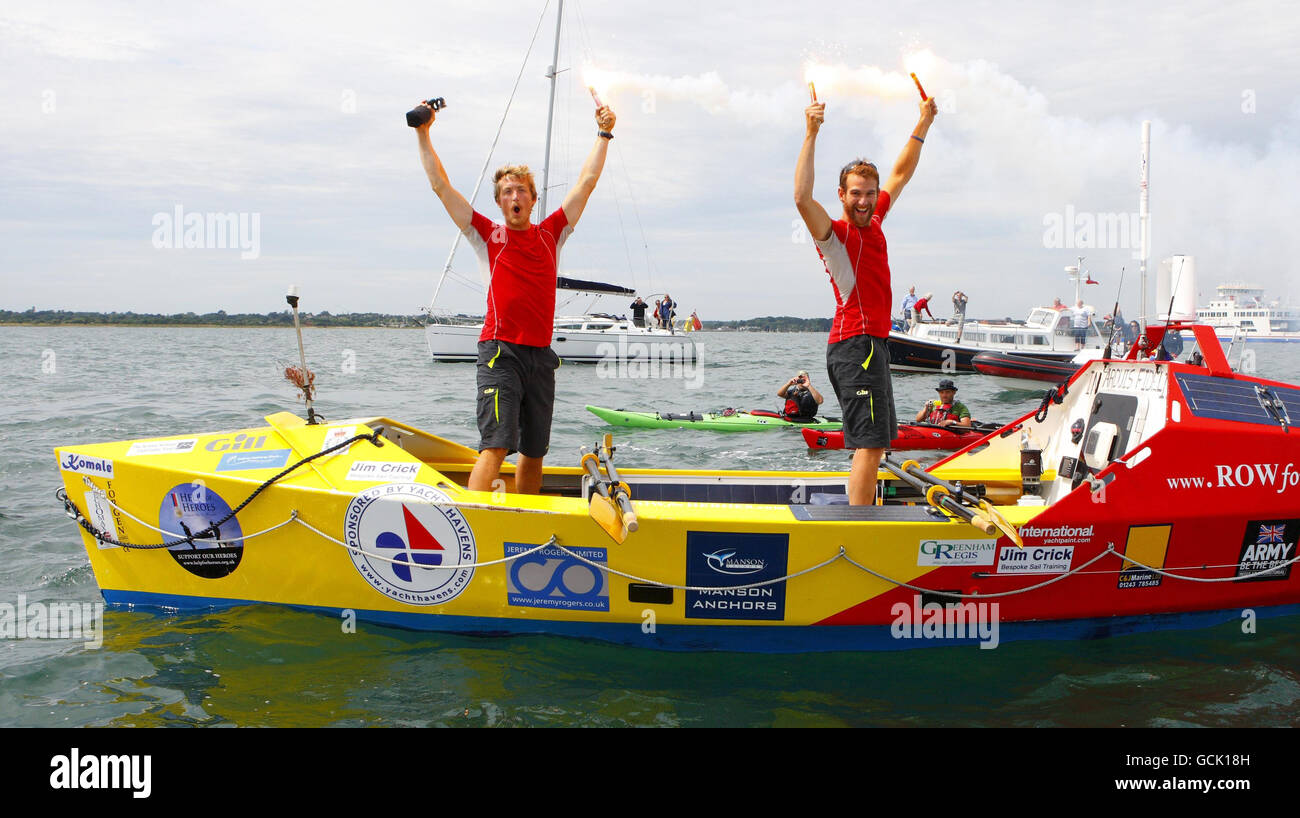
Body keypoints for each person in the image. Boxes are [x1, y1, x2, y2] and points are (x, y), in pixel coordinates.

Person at [414, 97, 617, 494]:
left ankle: (526, 520)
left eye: (520, 190)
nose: (514, 196)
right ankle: (471, 523)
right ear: (499, 201)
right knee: (496, 445)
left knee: (534, 450)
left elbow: (587, 183)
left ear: (532, 198)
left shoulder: (551, 234)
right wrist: (423, 133)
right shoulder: (486, 235)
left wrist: (604, 133)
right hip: (499, 353)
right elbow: (440, 186)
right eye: (506, 191)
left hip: (541, 357)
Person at [795, 92, 938, 505]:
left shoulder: (874, 220)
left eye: (869, 193)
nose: (864, 200)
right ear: (842, 195)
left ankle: (863, 512)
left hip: (872, 345)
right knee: (870, 444)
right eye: (855, 193)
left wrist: (924, 121)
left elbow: (900, 172)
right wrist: (811, 132)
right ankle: (859, 526)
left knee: (876, 443)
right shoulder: (837, 237)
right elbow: (802, 199)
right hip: (855, 345)